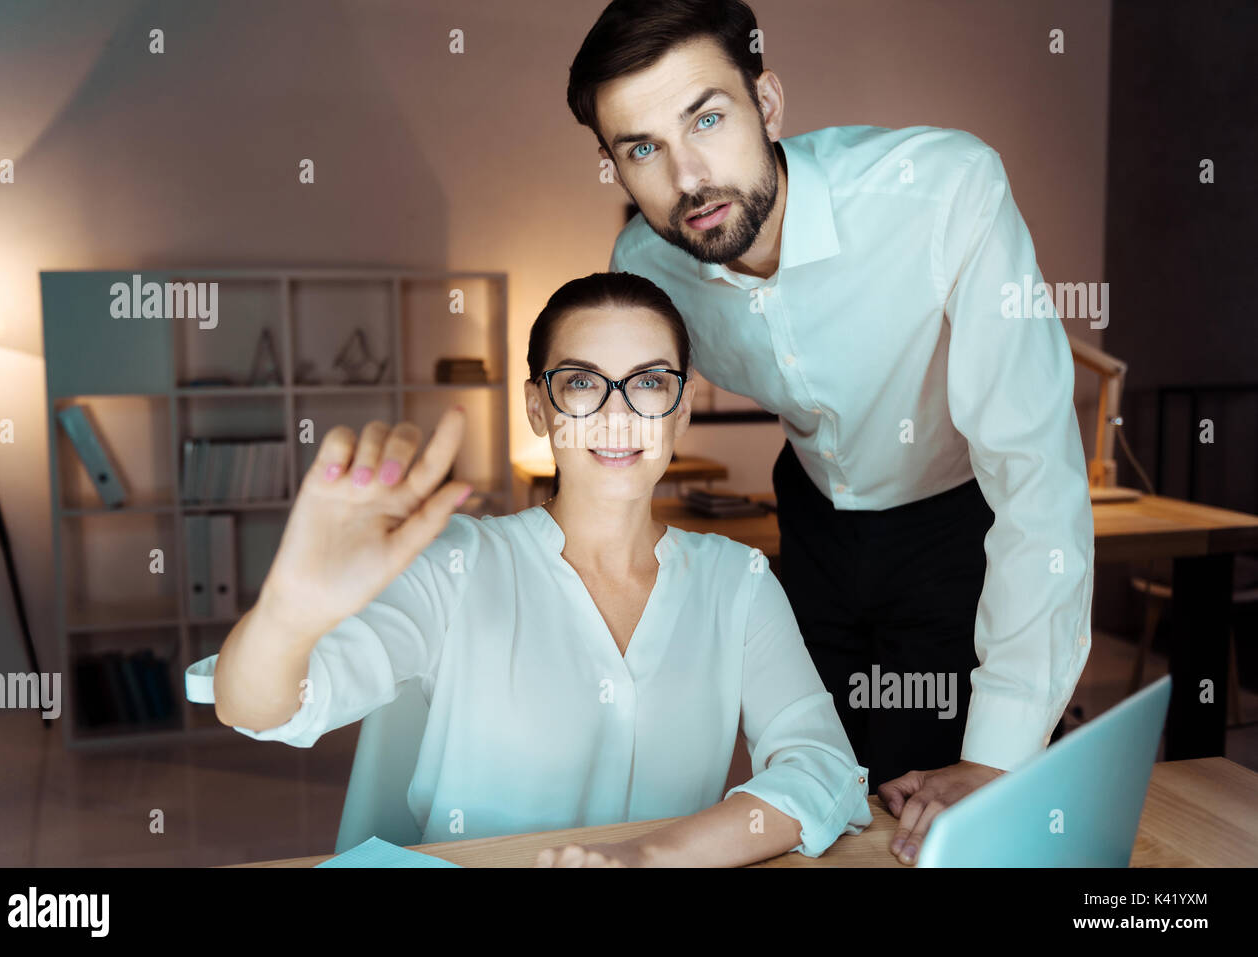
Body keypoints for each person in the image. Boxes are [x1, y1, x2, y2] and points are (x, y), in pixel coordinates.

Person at [567, 0, 1095, 864]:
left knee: (940, 812)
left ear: (767, 104)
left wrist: (998, 755)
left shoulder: (944, 192)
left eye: (707, 117)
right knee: (829, 802)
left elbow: (1034, 469)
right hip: (810, 519)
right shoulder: (645, 266)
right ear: (614, 166)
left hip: (952, 520)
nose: (688, 177)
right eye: (642, 148)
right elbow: (620, 441)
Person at [192, 271, 871, 867]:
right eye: (581, 383)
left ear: (682, 407)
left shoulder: (738, 581)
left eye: (649, 382)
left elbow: (823, 769)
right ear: (538, 407)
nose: (617, 413)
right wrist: (289, 612)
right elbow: (258, 705)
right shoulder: (456, 564)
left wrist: (646, 857)